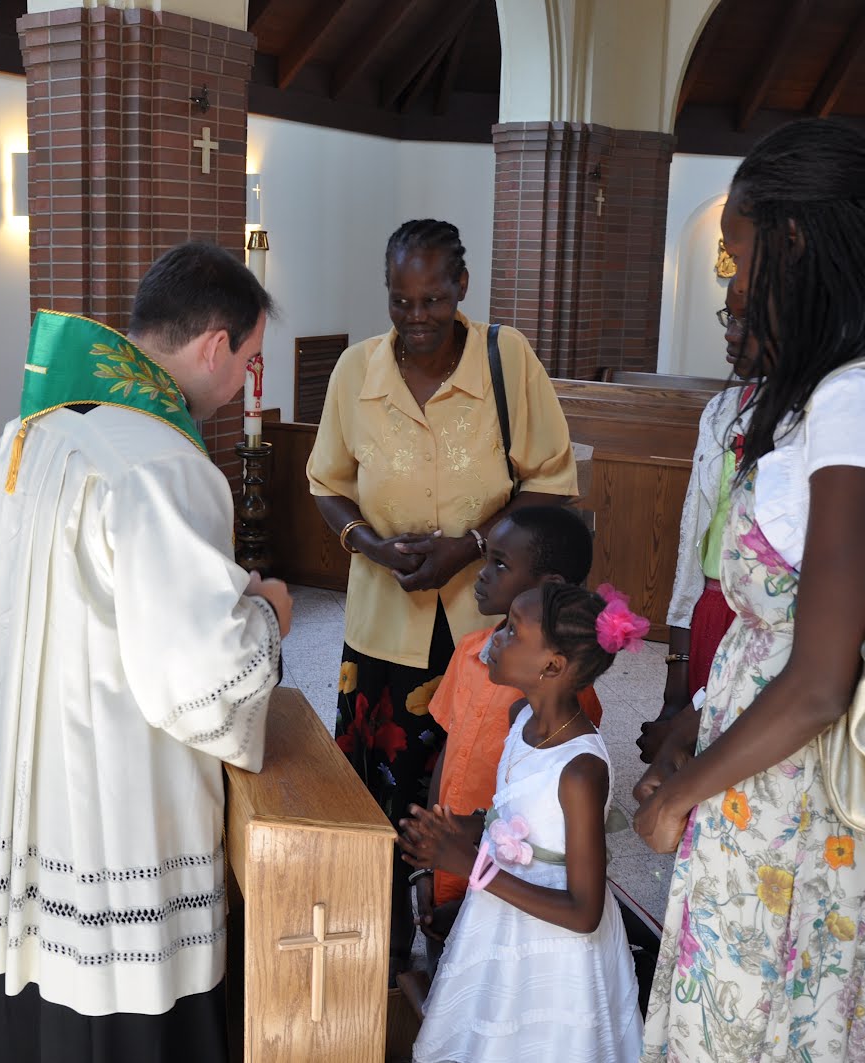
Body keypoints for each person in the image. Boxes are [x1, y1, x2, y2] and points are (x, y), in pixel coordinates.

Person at [633, 119, 865, 1062]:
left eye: (738, 255)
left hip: (795, 811)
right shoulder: (856, 375)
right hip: (765, 772)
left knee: (761, 1027)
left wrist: (674, 796)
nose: (733, 282)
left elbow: (819, 678)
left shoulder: (858, 399)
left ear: (795, 240)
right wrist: (700, 717)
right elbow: (793, 633)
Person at [0, 243, 294, 1063]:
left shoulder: (33, 431)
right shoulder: (161, 464)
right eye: (250, 360)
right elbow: (205, 685)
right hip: (112, 815)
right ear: (214, 345)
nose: (247, 383)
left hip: (30, 803)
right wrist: (268, 616)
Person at [308, 219, 578, 977]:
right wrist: (370, 545)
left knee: (476, 792)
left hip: (490, 630)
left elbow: (550, 480)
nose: (416, 316)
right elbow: (325, 484)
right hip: (382, 630)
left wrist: (469, 546)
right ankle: (378, 951)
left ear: (461, 287)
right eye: (400, 300)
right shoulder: (356, 373)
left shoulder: (506, 360)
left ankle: (464, 951)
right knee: (380, 796)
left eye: (431, 297)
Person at [399, 582, 647, 1062]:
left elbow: (583, 912)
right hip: (502, 915)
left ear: (551, 665)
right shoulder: (522, 719)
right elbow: (513, 815)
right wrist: (460, 832)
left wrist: (471, 865)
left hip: (558, 951)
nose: (495, 638)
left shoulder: (580, 770)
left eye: (512, 631)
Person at [418, 504, 604, 955]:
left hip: (519, 881)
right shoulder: (467, 652)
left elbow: (549, 822)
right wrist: (430, 848)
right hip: (456, 852)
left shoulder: (566, 703)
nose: (481, 575)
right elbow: (450, 750)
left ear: (549, 586)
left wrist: (473, 868)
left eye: (499, 564)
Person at [637, 282, 757, 762]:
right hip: (713, 608)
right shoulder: (722, 411)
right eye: (729, 316)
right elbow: (692, 550)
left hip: (767, 625)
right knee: (694, 758)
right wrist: (674, 695)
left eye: (748, 320)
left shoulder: (815, 421)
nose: (731, 333)